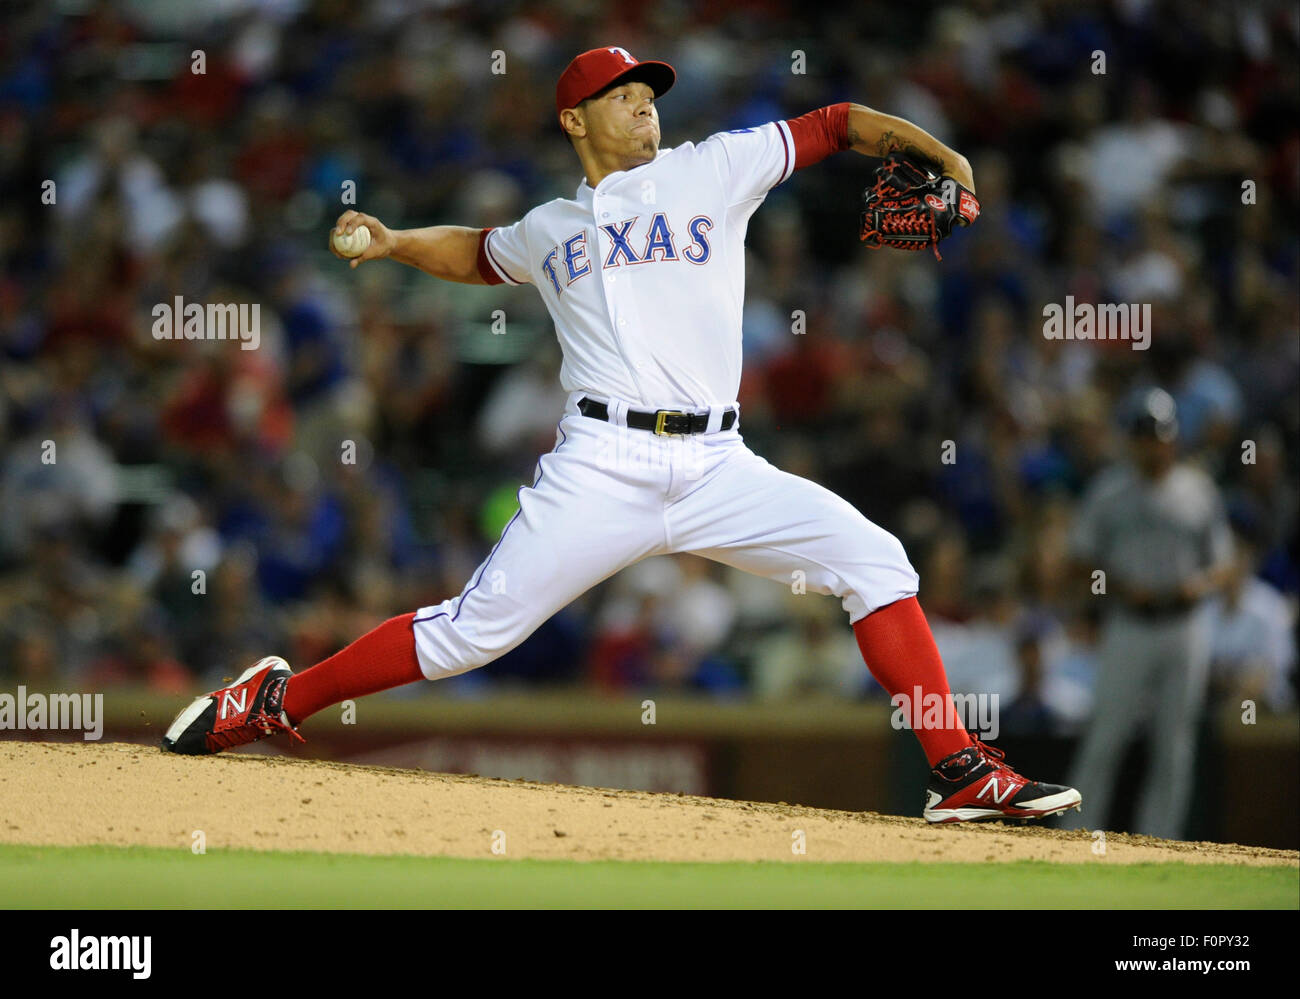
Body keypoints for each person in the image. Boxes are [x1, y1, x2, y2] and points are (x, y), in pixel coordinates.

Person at [162, 46, 1081, 824]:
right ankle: (275, 698)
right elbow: (482, 255)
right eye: (626, 99)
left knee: (876, 560)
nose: (646, 111)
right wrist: (395, 240)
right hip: (602, 464)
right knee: (470, 636)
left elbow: (839, 122)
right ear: (575, 122)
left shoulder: (710, 168)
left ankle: (958, 770)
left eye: (650, 98)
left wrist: (947, 158)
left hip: (720, 461)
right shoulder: (549, 225)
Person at [1060, 388, 1233, 838]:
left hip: (1184, 623)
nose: (1150, 444)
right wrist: (1119, 585)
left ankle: (1162, 841)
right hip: (1129, 625)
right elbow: (1078, 558)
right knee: (1105, 738)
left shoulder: (1197, 490)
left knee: (1174, 745)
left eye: (1157, 435)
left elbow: (1223, 563)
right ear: (1130, 440)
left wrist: (1200, 582)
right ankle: (1077, 836)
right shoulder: (1109, 490)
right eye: (1141, 435)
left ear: (1172, 438)